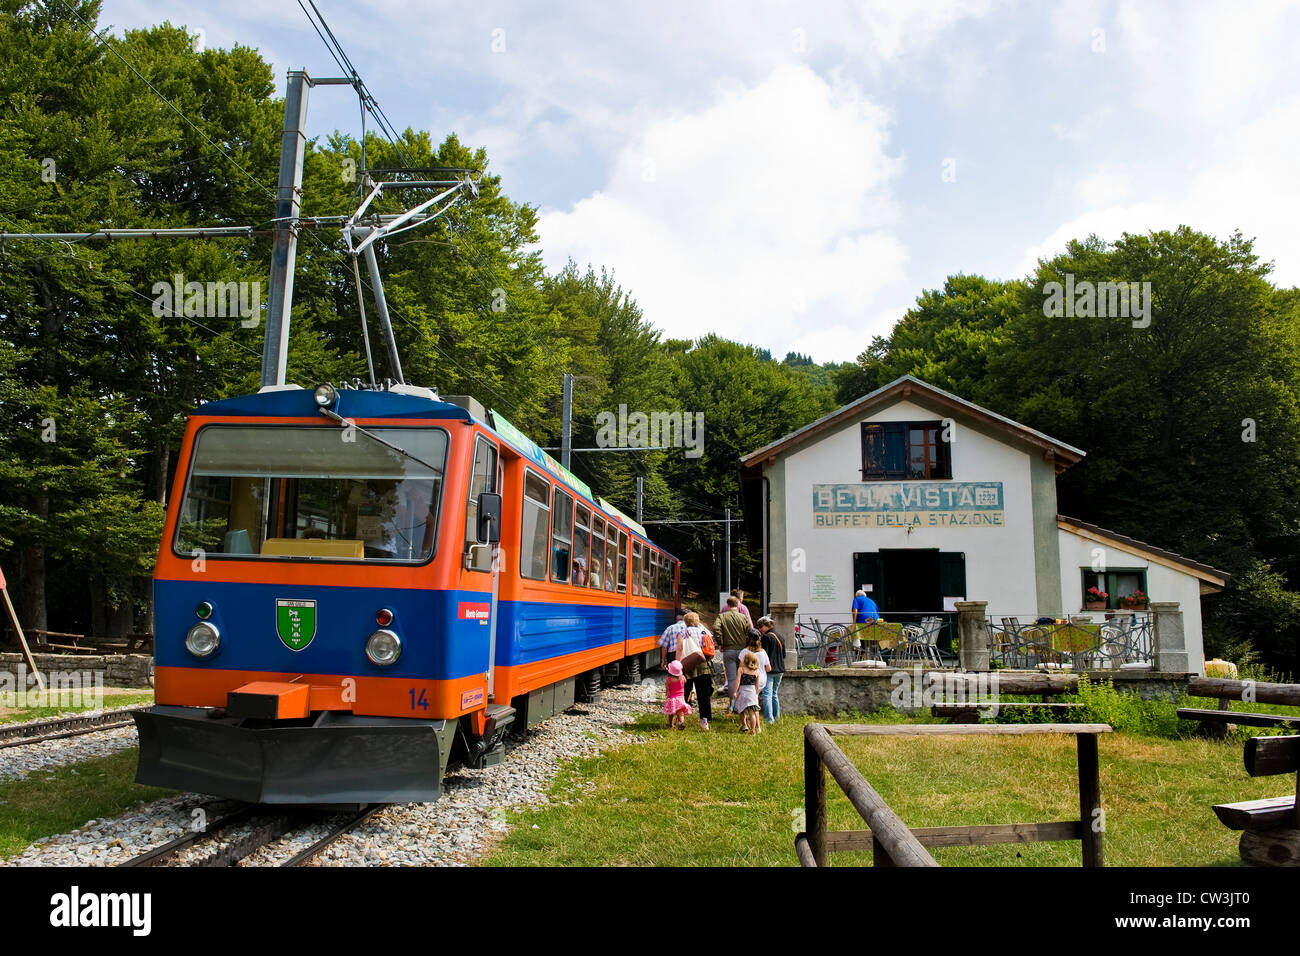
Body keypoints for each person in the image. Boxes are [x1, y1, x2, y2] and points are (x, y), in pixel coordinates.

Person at [714, 595, 750, 710]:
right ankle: (743, 704)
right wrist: (747, 644)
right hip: (742, 651)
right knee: (743, 677)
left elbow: (716, 628)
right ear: (738, 605)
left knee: (732, 679)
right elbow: (749, 631)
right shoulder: (743, 617)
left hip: (728, 650)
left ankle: (733, 705)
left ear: (727, 605)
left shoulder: (722, 616)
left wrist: (720, 643)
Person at [680, 611, 714, 729]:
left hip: (688, 665)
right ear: (697, 621)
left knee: (683, 692)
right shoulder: (704, 632)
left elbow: (679, 648)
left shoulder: (683, 632)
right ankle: (704, 721)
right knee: (703, 694)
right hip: (702, 665)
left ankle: (680, 719)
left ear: (685, 622)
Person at [756, 615, 785, 724]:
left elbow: (764, 655)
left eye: (760, 626)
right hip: (780, 669)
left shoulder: (766, 637)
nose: (759, 629)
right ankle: (776, 716)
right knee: (774, 693)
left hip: (770, 670)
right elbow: (784, 655)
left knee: (766, 694)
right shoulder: (780, 636)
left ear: (766, 625)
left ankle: (769, 719)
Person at [732, 651, 762, 734]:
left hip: (743, 692)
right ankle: (753, 730)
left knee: (741, 710)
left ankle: (744, 725)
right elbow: (757, 685)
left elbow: (737, 682)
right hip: (752, 693)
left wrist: (735, 692)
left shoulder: (741, 669)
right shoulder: (756, 672)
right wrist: (756, 694)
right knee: (751, 712)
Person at [663, 660, 691, 729]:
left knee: (671, 713)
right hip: (680, 699)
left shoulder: (668, 679)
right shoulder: (682, 678)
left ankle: (670, 724)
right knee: (680, 713)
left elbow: (667, 689)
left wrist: (667, 694)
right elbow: (685, 682)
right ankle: (681, 723)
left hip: (672, 698)